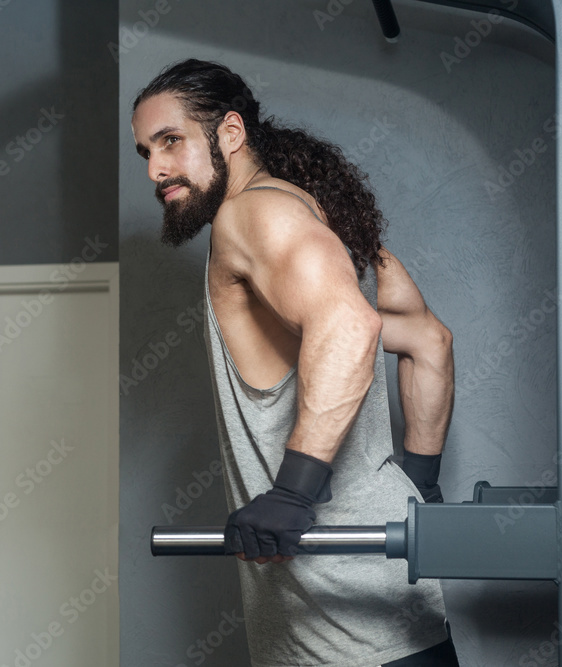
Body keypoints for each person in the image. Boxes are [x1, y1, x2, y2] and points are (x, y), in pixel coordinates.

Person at [132, 58, 458, 667]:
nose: (155, 170)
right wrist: (420, 485)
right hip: (398, 600)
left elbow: (349, 326)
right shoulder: (326, 221)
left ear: (230, 132)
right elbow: (428, 342)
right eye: (145, 151)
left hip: (331, 622)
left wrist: (292, 493)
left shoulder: (250, 214)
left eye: (171, 141)